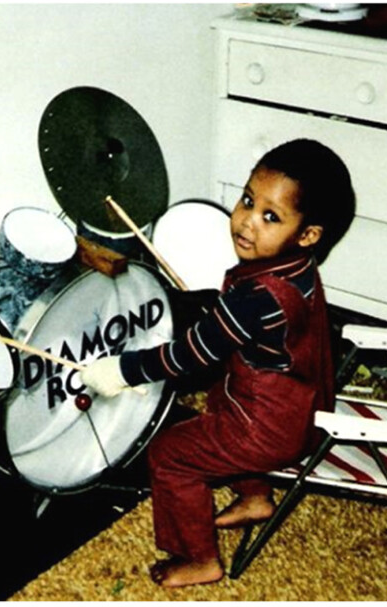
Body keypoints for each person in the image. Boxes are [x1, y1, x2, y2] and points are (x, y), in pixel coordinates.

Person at [81, 139, 356, 587]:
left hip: (267, 429)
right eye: (248, 200)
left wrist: (121, 370)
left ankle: (200, 558)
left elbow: (190, 355)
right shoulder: (299, 267)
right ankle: (256, 496)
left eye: (271, 216)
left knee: (171, 456)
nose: (247, 220)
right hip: (300, 406)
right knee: (219, 398)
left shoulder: (256, 297)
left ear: (308, 235)